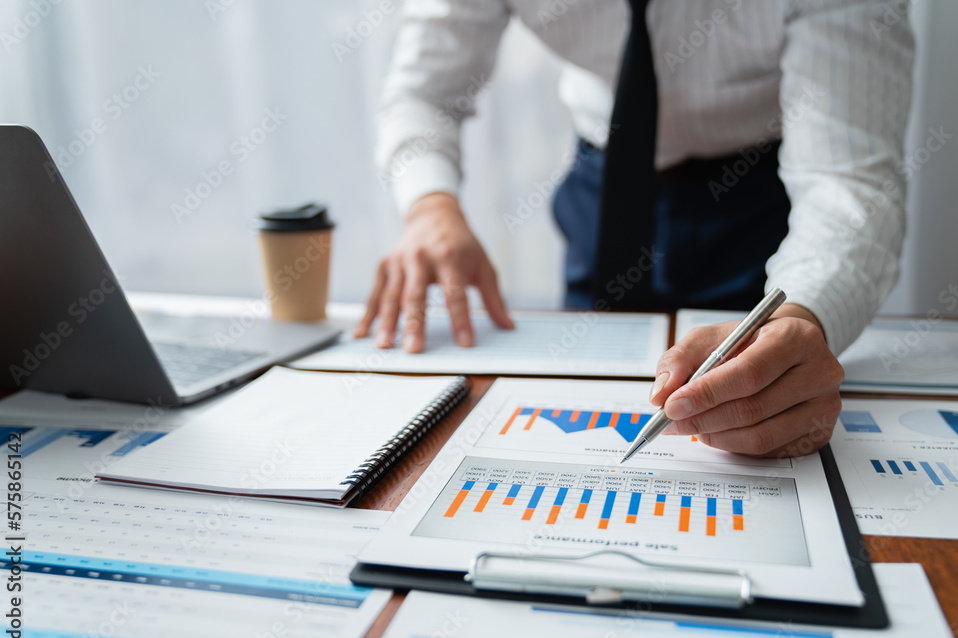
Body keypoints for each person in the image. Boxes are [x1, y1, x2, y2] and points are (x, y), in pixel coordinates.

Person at [355, 0, 914, 458]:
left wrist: (803, 314)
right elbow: (422, 92)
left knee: (763, 397)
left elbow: (849, 182)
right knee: (585, 402)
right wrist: (430, 206)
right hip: (604, 187)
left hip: (764, 202)